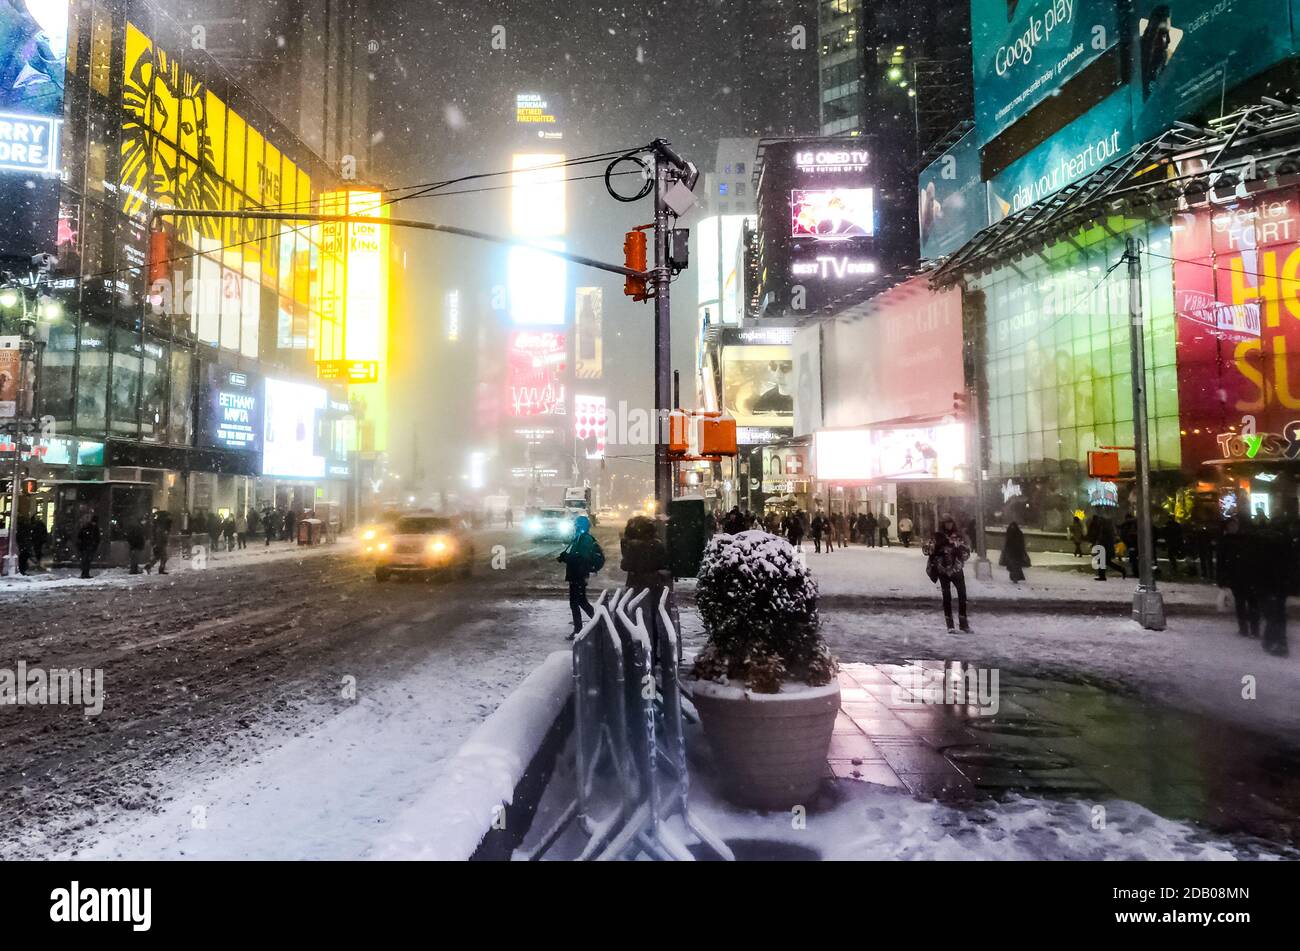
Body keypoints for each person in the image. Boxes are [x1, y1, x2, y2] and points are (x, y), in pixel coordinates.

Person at [558, 514, 604, 639]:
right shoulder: (580, 538)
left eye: (576, 525)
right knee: (580, 601)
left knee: (577, 602)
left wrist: (566, 557)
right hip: (576, 574)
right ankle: (598, 624)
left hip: (578, 574)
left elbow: (581, 558)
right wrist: (566, 557)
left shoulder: (584, 539)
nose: (574, 527)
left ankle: (592, 625)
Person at [924, 514, 971, 633]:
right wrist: (939, 546)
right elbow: (927, 550)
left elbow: (966, 552)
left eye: (950, 523)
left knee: (962, 596)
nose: (948, 525)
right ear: (943, 524)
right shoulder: (937, 536)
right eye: (946, 523)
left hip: (956, 569)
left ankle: (963, 624)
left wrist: (959, 549)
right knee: (947, 597)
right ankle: (950, 624)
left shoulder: (958, 536)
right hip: (943, 569)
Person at [1252, 522, 1291, 657]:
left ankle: (1274, 641)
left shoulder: (1263, 548)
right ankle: (1278, 642)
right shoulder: (1284, 548)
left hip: (1271, 586)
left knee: (1273, 616)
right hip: (1278, 586)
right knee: (1278, 615)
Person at [1217, 515, 1258, 639]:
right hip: (1236, 577)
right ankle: (1244, 628)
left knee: (1251, 604)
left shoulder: (1245, 539)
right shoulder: (1226, 541)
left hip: (1248, 576)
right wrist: (1222, 579)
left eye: (1234, 525)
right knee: (1241, 604)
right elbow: (1221, 562)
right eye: (1231, 526)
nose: (1233, 528)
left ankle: (1254, 629)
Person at [1086, 510, 1126, 580]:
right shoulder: (1105, 528)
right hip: (1105, 547)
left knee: (1103, 561)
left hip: (1105, 547)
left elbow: (1102, 538)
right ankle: (1119, 570)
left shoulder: (1105, 529)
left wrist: (1096, 543)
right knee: (1105, 561)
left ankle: (1104, 575)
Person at [77, 513, 100, 580]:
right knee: (86, 560)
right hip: (87, 546)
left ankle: (85, 573)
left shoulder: (88, 527)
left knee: (86, 560)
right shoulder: (92, 528)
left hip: (87, 546)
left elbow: (80, 536)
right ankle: (85, 573)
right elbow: (97, 538)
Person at [149, 510, 172, 575]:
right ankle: (158, 569)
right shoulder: (161, 526)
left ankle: (149, 567)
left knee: (158, 557)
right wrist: (158, 544)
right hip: (160, 544)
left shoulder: (160, 524)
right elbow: (160, 535)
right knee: (163, 557)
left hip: (160, 543)